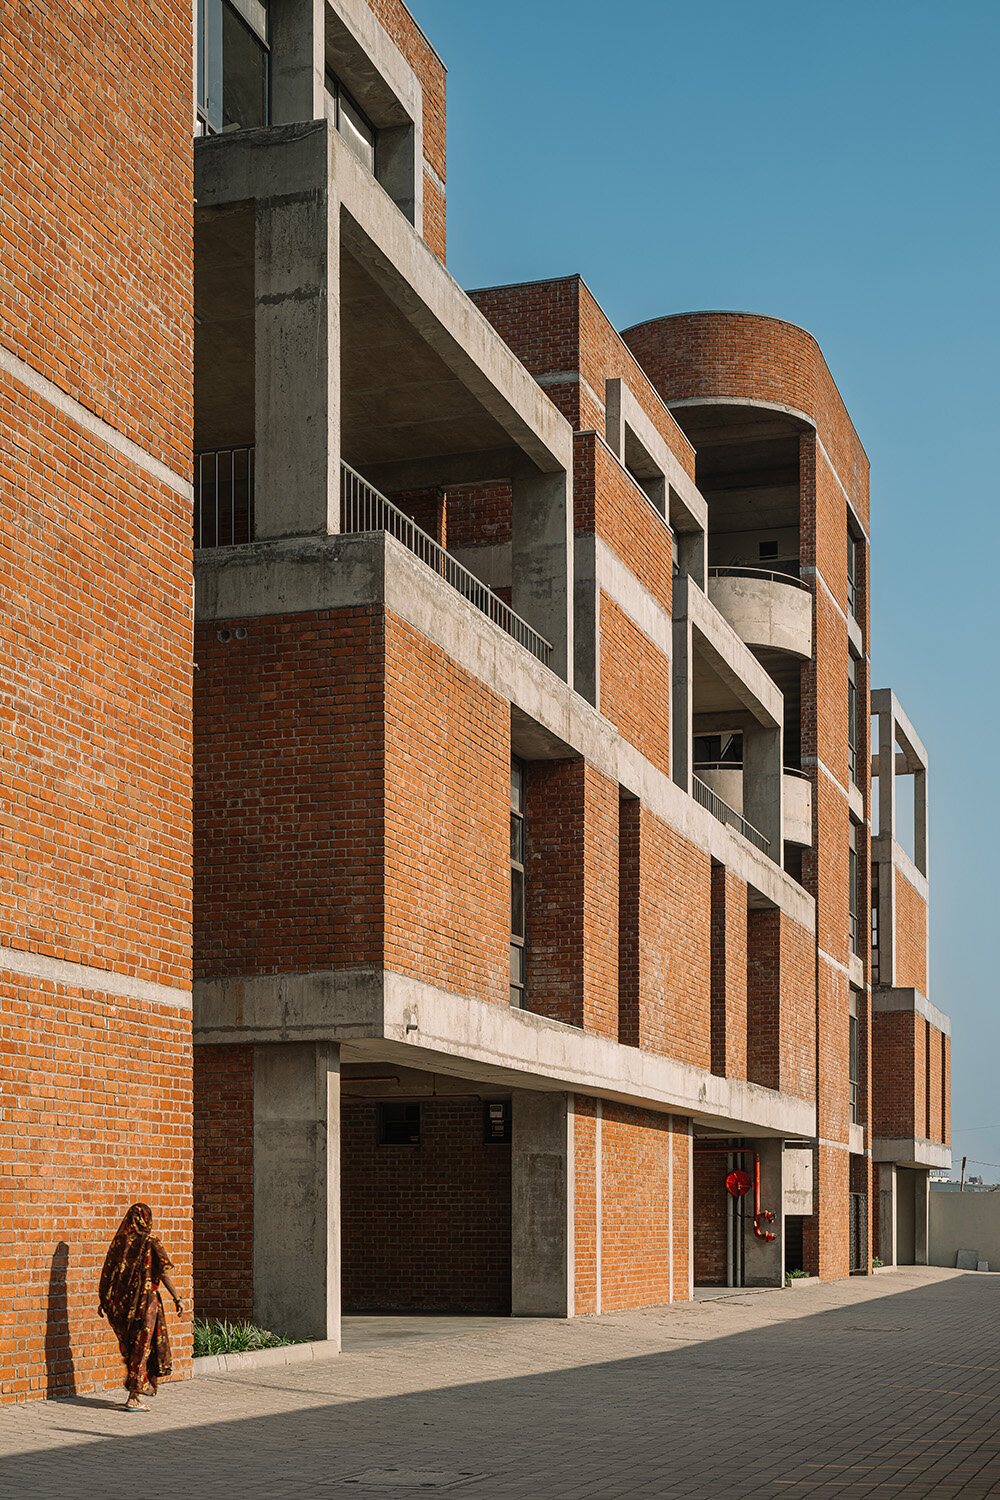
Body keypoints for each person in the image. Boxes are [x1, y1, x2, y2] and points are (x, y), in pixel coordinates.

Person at [98, 1202, 182, 1411]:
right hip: (145, 1304)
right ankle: (134, 1397)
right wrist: (177, 1298)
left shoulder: (120, 1243)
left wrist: (103, 1299)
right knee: (142, 1349)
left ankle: (134, 1391)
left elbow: (107, 1271)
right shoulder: (151, 1242)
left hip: (123, 1304)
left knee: (133, 1348)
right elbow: (163, 1273)